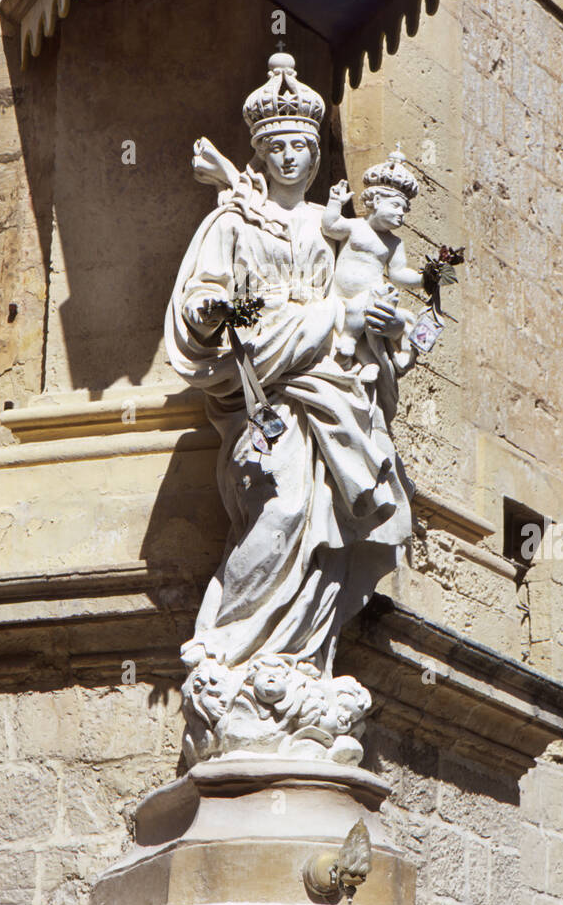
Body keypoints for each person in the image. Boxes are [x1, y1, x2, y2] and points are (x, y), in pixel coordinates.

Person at [164, 52, 417, 760]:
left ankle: (300, 659)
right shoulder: (233, 219)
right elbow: (205, 301)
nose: (288, 157)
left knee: (327, 525)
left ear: (315, 153)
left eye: (301, 145)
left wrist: (382, 322)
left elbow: (366, 294)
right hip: (268, 394)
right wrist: (222, 308)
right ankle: (229, 648)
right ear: (260, 151)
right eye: (276, 146)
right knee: (280, 509)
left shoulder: (332, 226)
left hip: (332, 391)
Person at [322, 147, 423, 360]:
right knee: (347, 314)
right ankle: (367, 361)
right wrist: (335, 202)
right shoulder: (355, 226)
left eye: (404, 210)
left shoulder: (394, 243)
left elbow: (398, 274)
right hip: (337, 293)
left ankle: (349, 339)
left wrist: (424, 280)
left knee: (360, 309)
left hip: (369, 294)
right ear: (376, 201)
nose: (401, 214)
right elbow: (330, 227)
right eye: (396, 206)